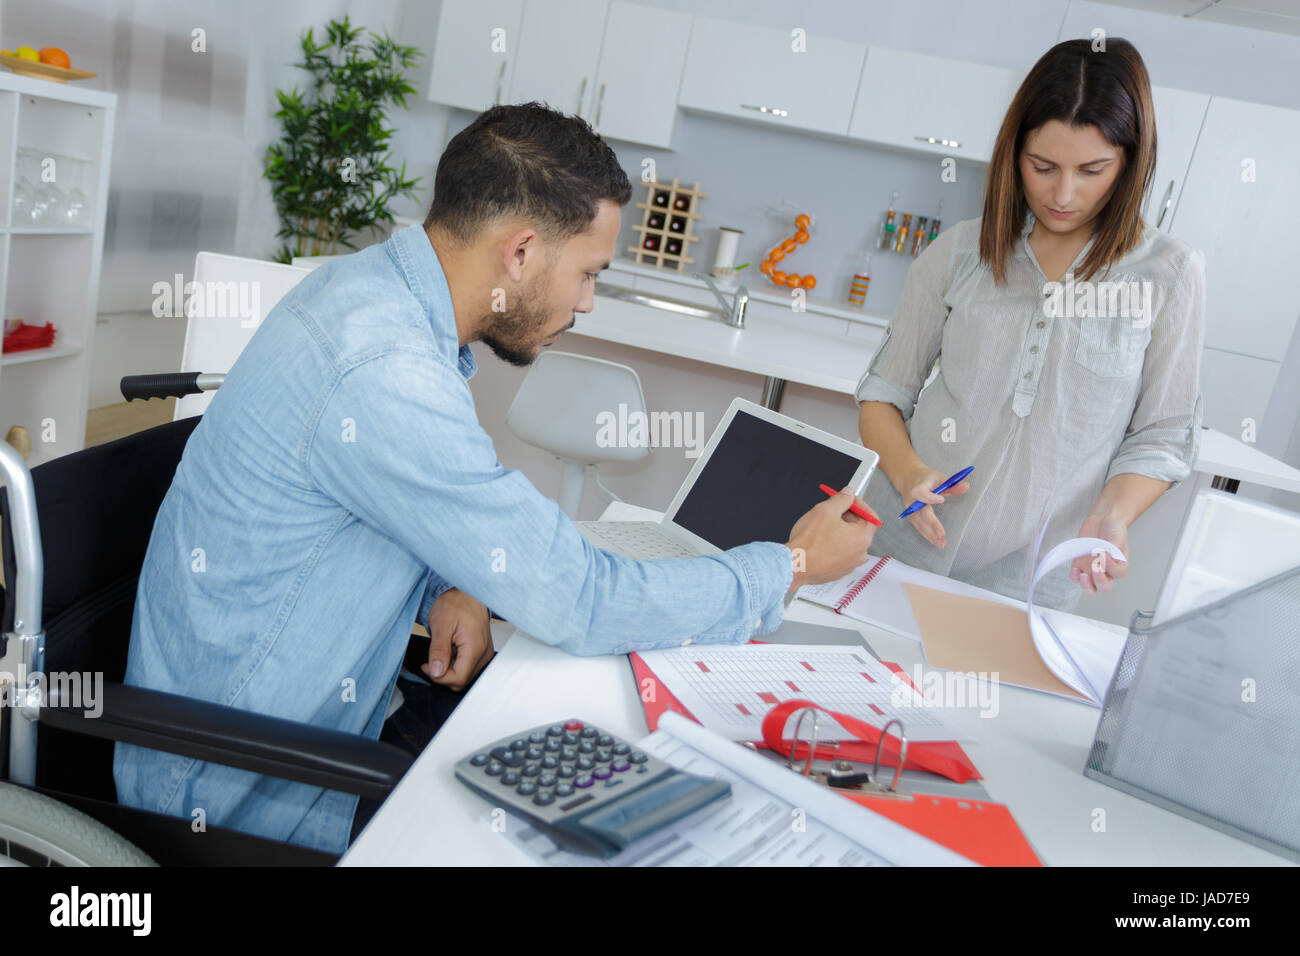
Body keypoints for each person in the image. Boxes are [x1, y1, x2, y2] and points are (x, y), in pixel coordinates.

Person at [113, 102, 878, 855]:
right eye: (586, 274)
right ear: (520, 253)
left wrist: (457, 584)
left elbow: (356, 516)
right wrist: (790, 567)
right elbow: (576, 595)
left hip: (326, 719)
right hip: (240, 788)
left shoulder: (375, 296)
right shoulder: (387, 368)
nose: (584, 304)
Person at [856, 38, 1205, 612]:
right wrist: (910, 472)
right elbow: (882, 395)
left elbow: (1163, 437)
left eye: (1092, 170)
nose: (1062, 195)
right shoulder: (959, 252)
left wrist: (1114, 515)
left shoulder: (1170, 275)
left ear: (1130, 162)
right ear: (1012, 154)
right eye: (1042, 167)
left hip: (1029, 582)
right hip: (891, 545)